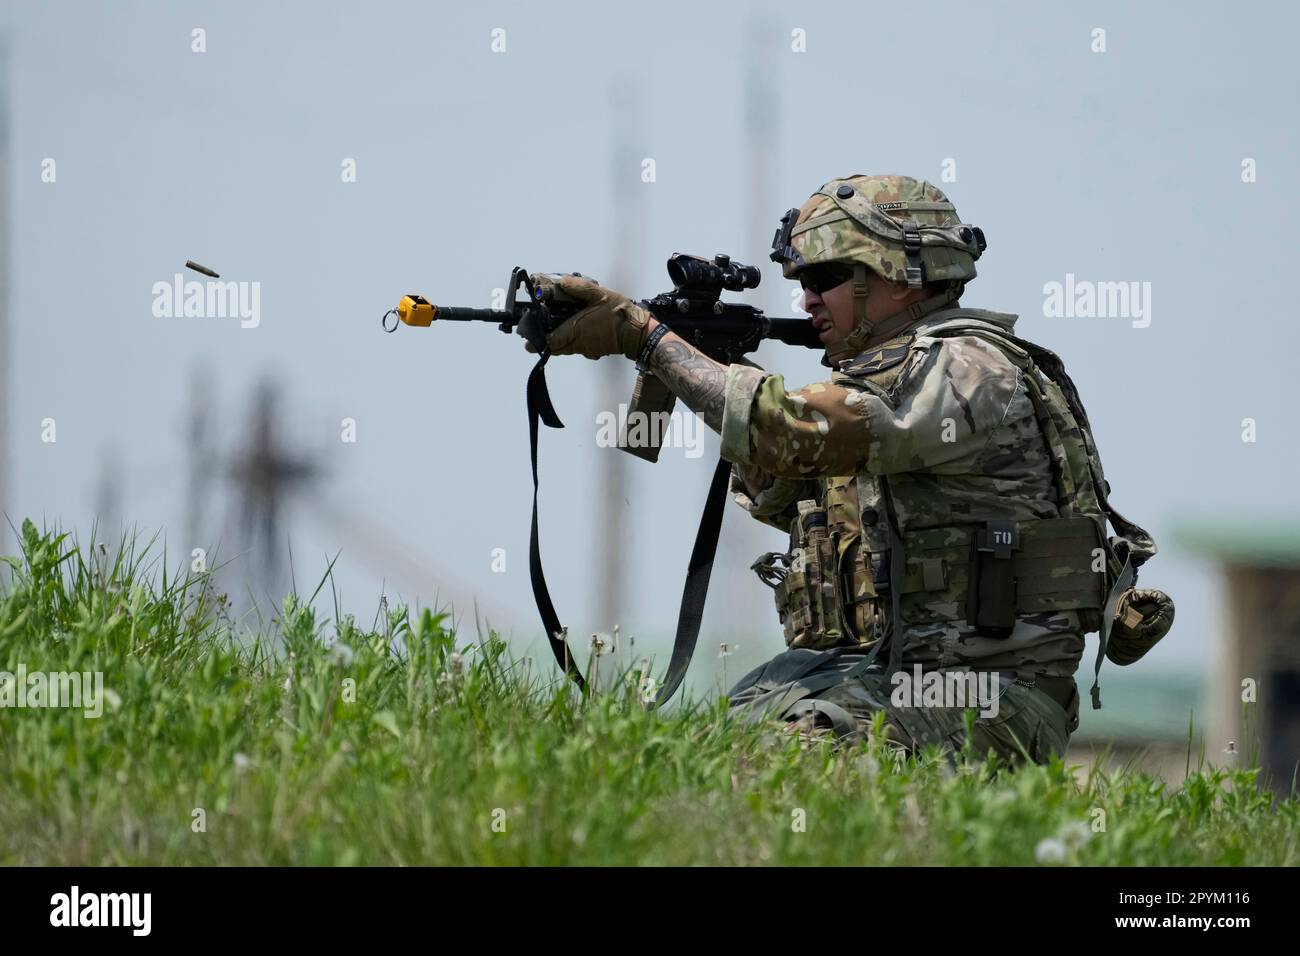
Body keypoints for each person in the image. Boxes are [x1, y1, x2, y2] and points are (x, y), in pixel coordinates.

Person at [530, 173, 1173, 764]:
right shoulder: (896, 376)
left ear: (902, 276)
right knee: (676, 762)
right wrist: (699, 359)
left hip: (985, 698)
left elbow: (783, 429)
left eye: (827, 276)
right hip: (875, 674)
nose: (807, 298)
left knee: (771, 769)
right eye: (802, 281)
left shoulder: (966, 367)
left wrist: (648, 340)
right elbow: (794, 485)